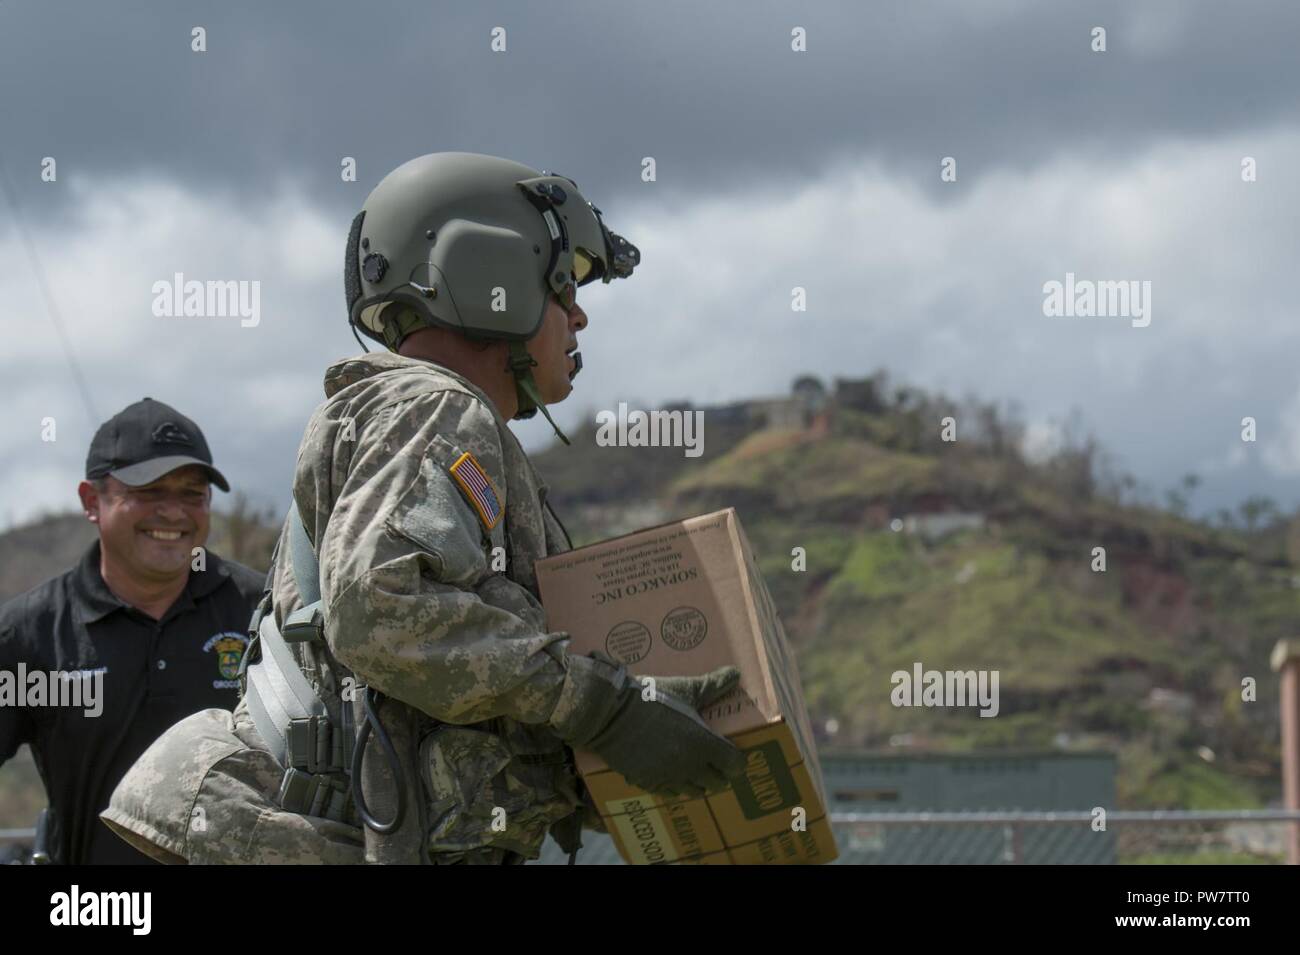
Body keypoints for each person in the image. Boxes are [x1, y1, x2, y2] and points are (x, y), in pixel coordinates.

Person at [103, 152, 746, 865]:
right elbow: (380, 609)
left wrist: (605, 748)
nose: (579, 315)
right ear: (489, 275)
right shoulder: (434, 410)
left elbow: (442, 682)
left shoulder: (428, 421)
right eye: (562, 288)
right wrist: (605, 707)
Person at [0, 398, 264, 864]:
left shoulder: (261, 613)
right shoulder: (30, 632)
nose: (173, 513)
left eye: (192, 493)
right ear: (90, 501)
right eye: (148, 491)